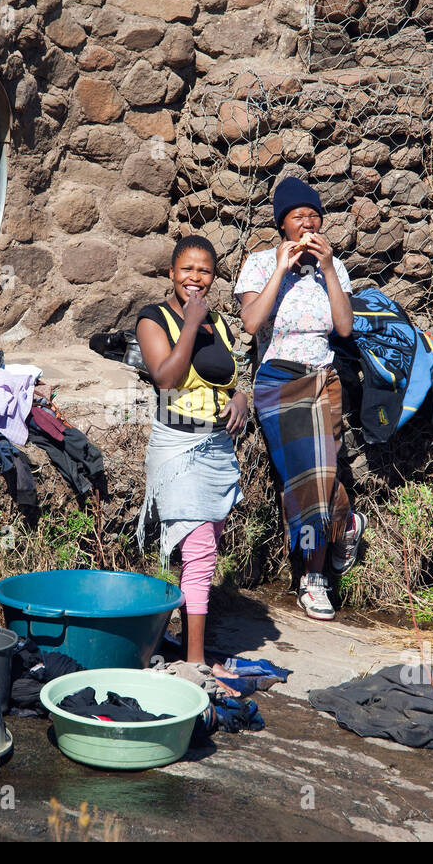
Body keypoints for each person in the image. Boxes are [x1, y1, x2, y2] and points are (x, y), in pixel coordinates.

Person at [235, 177, 366, 620]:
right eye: (298, 217)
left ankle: (314, 579)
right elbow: (252, 323)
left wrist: (328, 270)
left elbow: (345, 328)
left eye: (313, 216)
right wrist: (280, 269)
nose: (307, 223)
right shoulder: (257, 264)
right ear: (282, 225)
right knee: (303, 480)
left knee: (323, 474)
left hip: (323, 378)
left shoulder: (335, 267)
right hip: (278, 382)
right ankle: (344, 522)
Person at [136, 235, 249, 664]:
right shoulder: (154, 319)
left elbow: (231, 380)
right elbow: (166, 378)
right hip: (180, 449)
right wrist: (189, 323)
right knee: (200, 552)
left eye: (204, 270)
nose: (195, 278)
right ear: (171, 273)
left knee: (202, 553)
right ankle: (195, 663)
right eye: (187, 269)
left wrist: (241, 401)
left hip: (218, 449)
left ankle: (182, 645)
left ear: (214, 276)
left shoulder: (219, 323)